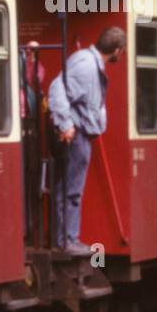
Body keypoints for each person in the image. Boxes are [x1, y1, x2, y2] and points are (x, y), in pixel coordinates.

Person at [48, 26, 125, 255]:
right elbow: (57, 88)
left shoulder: (89, 63)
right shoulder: (86, 65)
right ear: (117, 50)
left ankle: (67, 238)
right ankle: (67, 239)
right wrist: (66, 124)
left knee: (71, 188)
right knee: (71, 189)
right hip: (77, 135)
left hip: (82, 134)